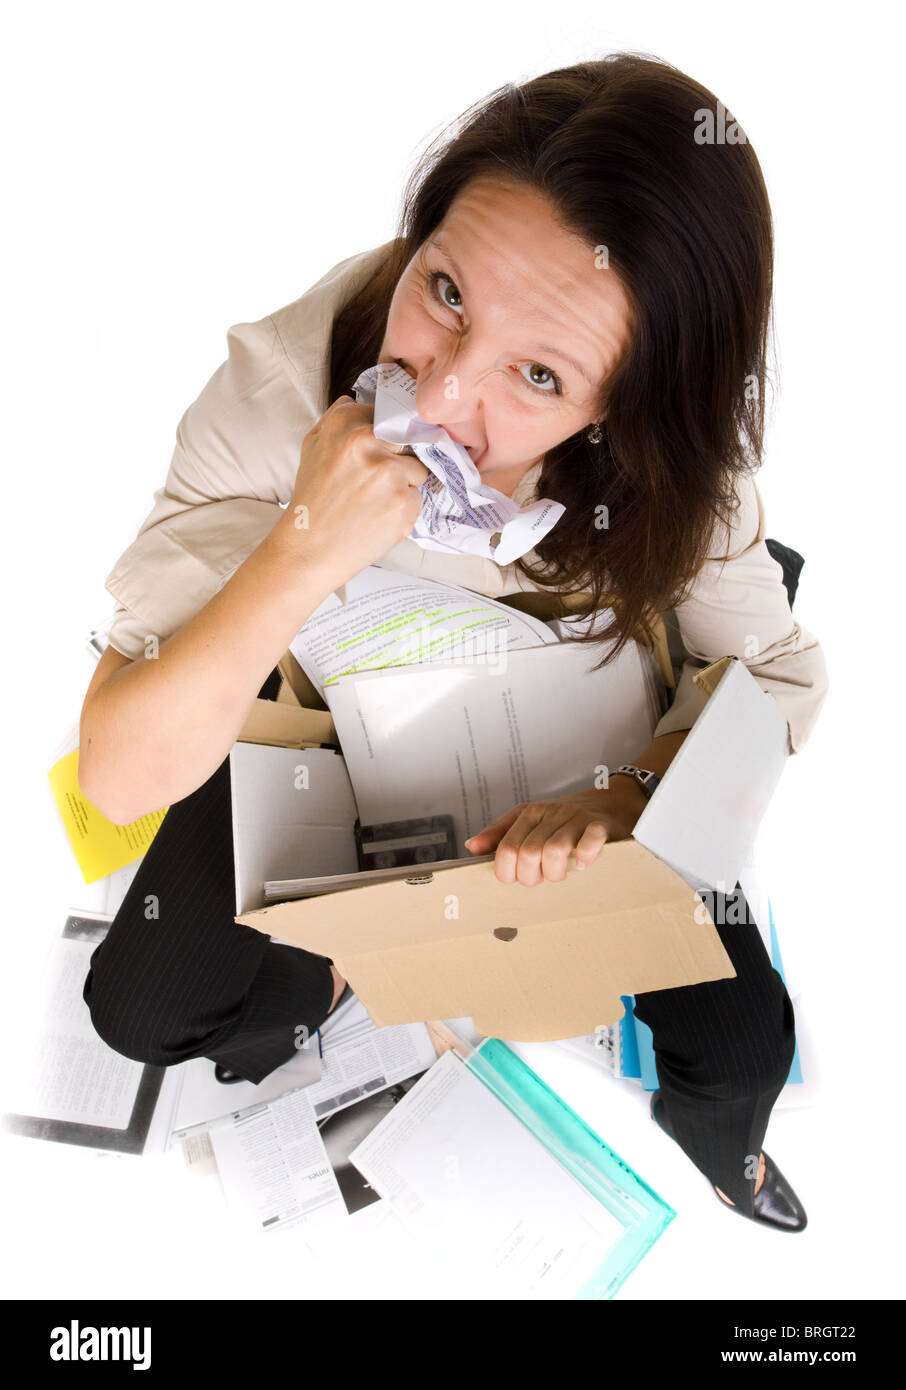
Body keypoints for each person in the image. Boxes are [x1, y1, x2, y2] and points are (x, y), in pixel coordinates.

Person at [78, 52, 828, 1231]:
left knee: (740, 1054)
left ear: (624, 407)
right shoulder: (277, 392)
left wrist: (628, 800)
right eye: (445, 293)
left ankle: (719, 1146)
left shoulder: (685, 475)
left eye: (538, 375)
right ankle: (343, 986)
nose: (436, 401)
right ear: (417, 237)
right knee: (144, 1005)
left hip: (591, 750)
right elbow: (118, 772)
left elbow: (777, 680)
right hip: (336, 735)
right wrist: (303, 547)